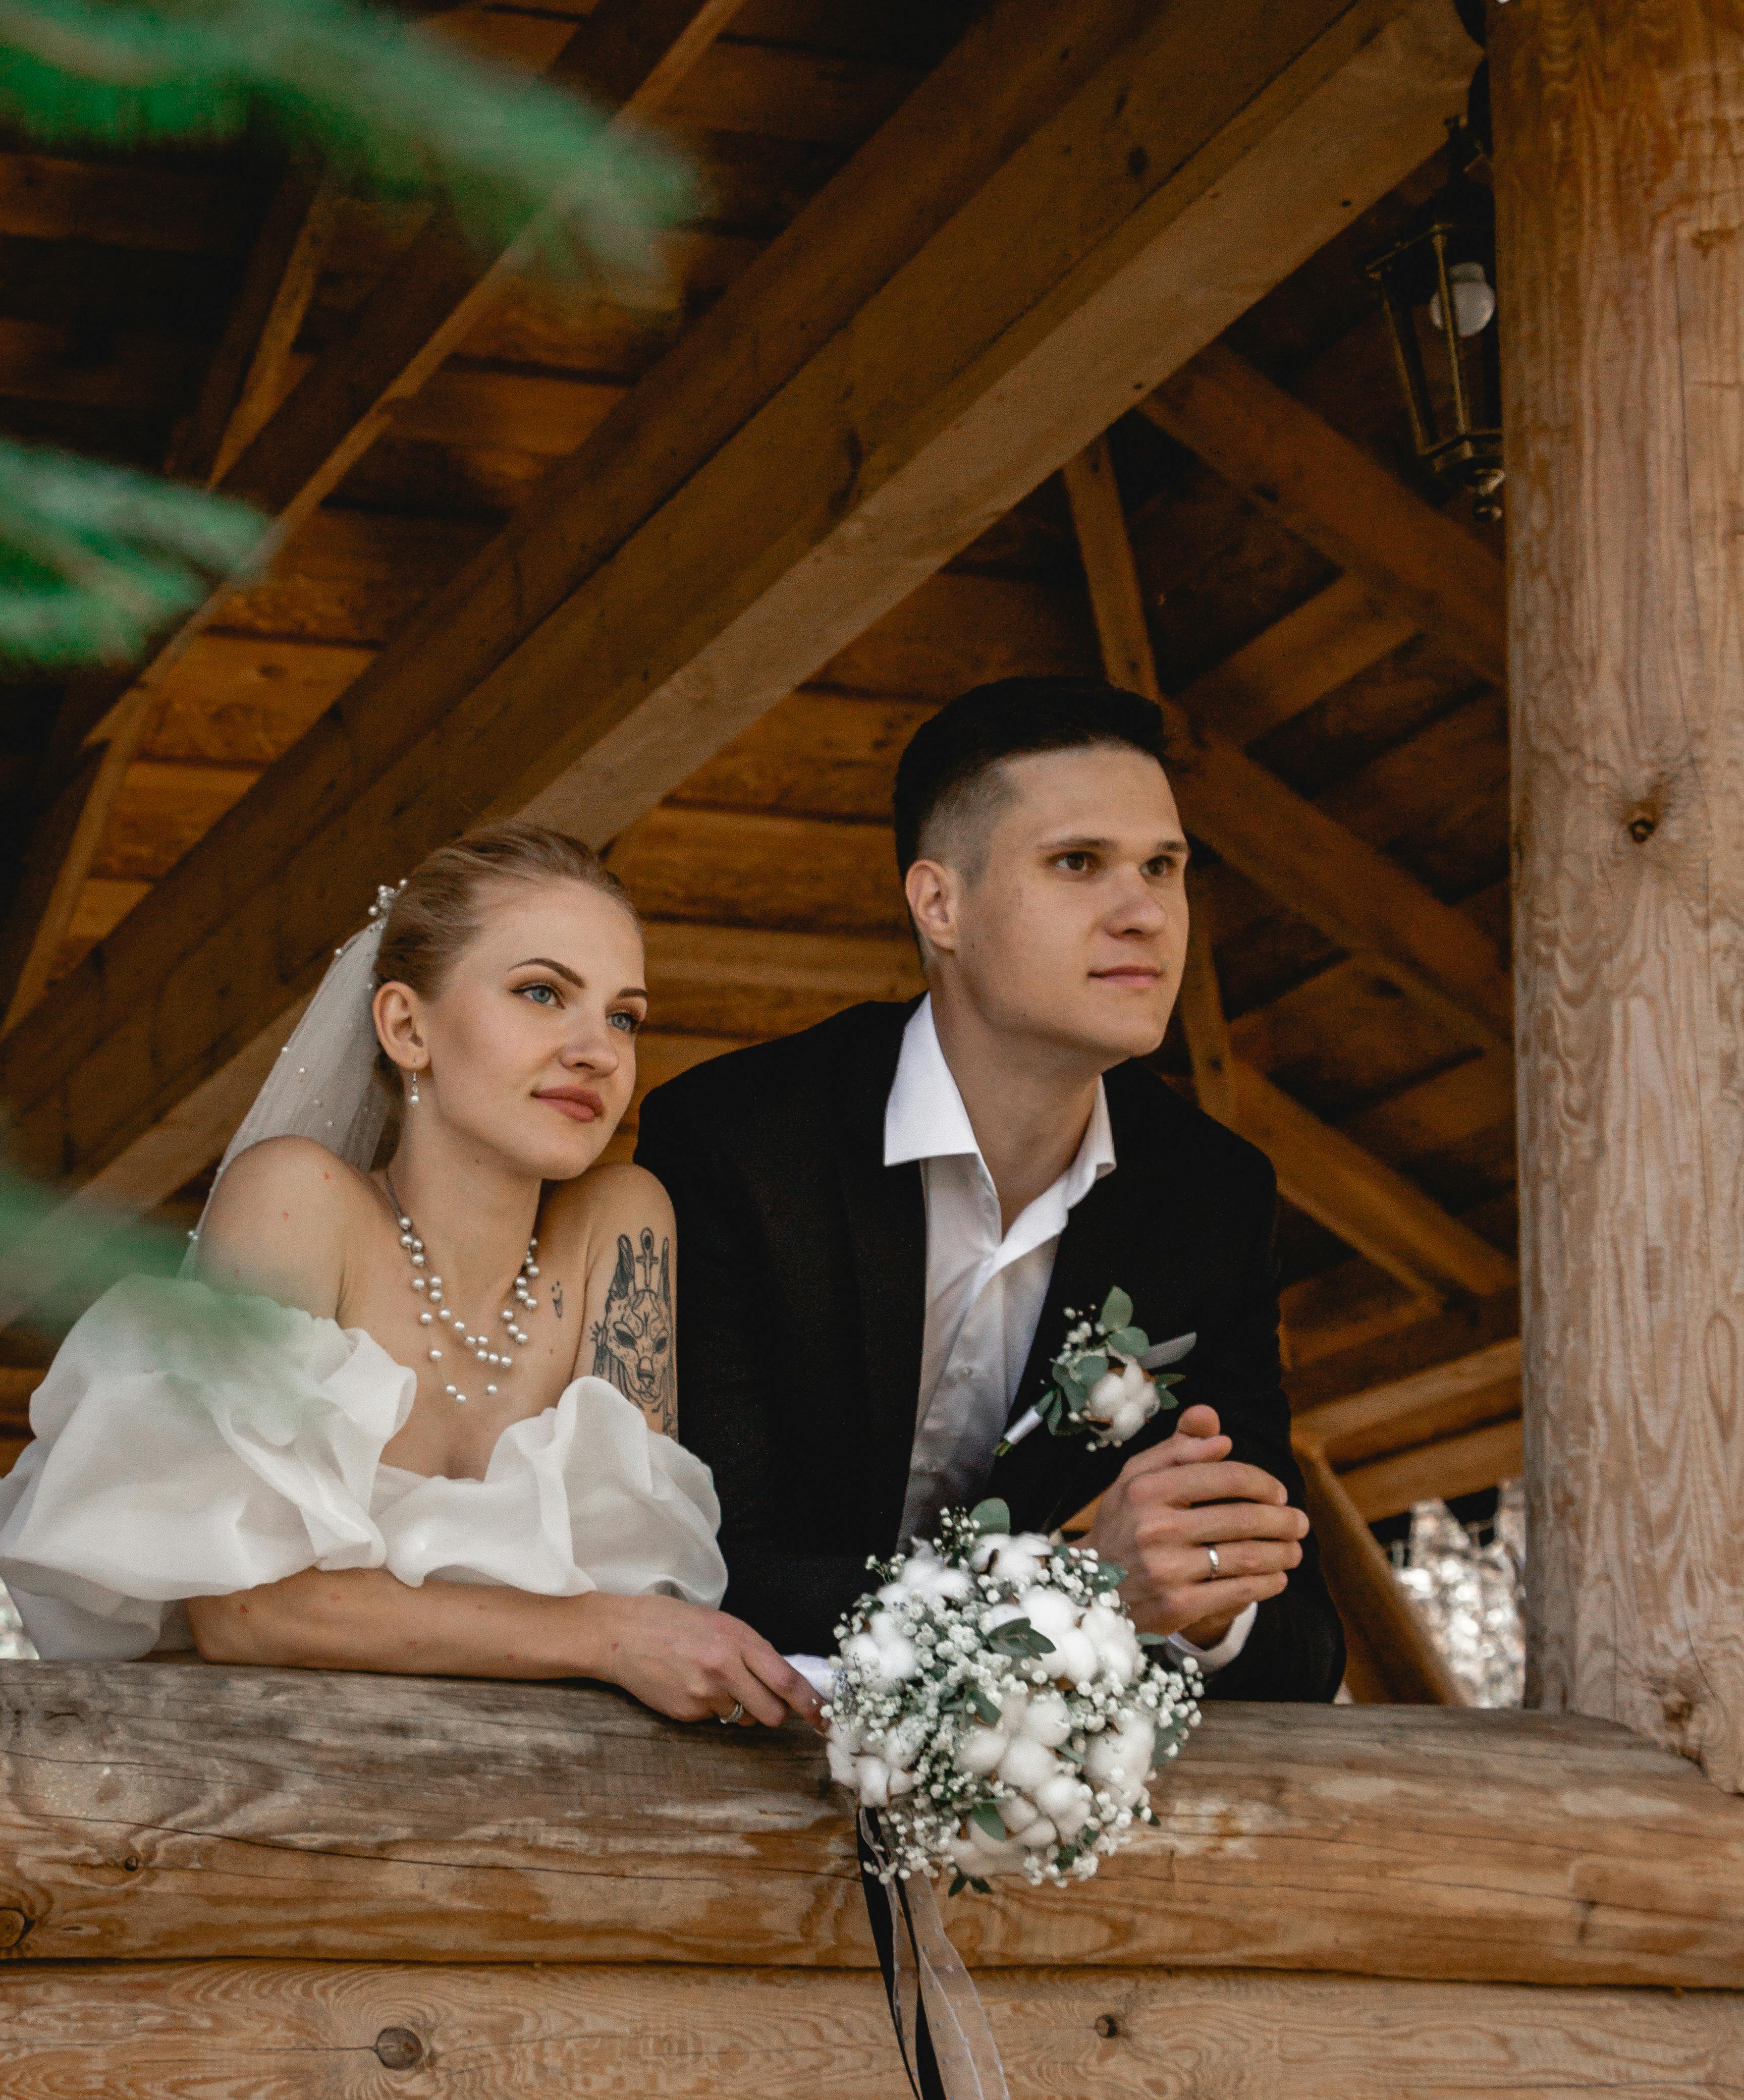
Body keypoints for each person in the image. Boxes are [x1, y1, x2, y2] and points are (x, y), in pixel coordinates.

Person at [0, 822, 824, 1733]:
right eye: (542, 993)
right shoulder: (301, 1202)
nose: (598, 1050)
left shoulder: (622, 1227)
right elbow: (245, 1610)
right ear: (406, 1026)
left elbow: (651, 1582)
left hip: (544, 1789)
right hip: (239, 1777)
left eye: (624, 1016)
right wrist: (602, 1636)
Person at [637, 679, 1345, 1700]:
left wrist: (1209, 1601)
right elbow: (709, 1571)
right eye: (1078, 863)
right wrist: (1081, 1591)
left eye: (1163, 867)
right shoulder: (737, 1144)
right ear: (941, 905)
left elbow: (1304, 1649)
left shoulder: (1210, 1198)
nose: (1145, 914)